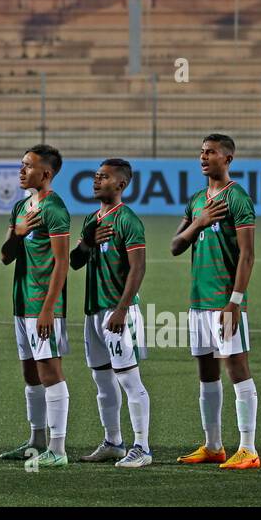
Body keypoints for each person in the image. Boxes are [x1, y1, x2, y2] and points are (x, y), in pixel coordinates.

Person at [170, 134, 260, 471]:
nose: (204, 157)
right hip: (198, 301)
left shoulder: (237, 198)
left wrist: (235, 302)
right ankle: (213, 446)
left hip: (225, 300)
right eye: (201, 152)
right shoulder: (196, 201)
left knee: (236, 369)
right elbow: (176, 246)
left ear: (228, 158)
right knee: (207, 373)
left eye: (211, 152)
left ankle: (248, 448)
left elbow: (248, 254)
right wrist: (199, 222)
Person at [71, 159, 151, 468]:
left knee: (129, 380)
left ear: (120, 184)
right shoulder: (92, 219)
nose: (96, 180)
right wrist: (88, 241)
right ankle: (113, 442)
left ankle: (142, 448)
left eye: (103, 177)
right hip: (93, 311)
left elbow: (138, 267)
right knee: (102, 382)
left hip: (119, 312)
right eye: (95, 176)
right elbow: (76, 262)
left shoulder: (128, 220)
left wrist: (121, 309)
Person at [0, 144, 72, 469]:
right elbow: (5, 255)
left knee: (50, 372)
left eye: (28, 166)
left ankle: (58, 447)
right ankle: (37, 439)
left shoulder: (55, 209)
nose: (21, 170)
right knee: (30, 373)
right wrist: (18, 233)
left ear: (46, 173)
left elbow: (61, 262)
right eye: (21, 164)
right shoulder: (20, 207)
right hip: (21, 303)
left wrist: (48, 308)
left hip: (44, 305)